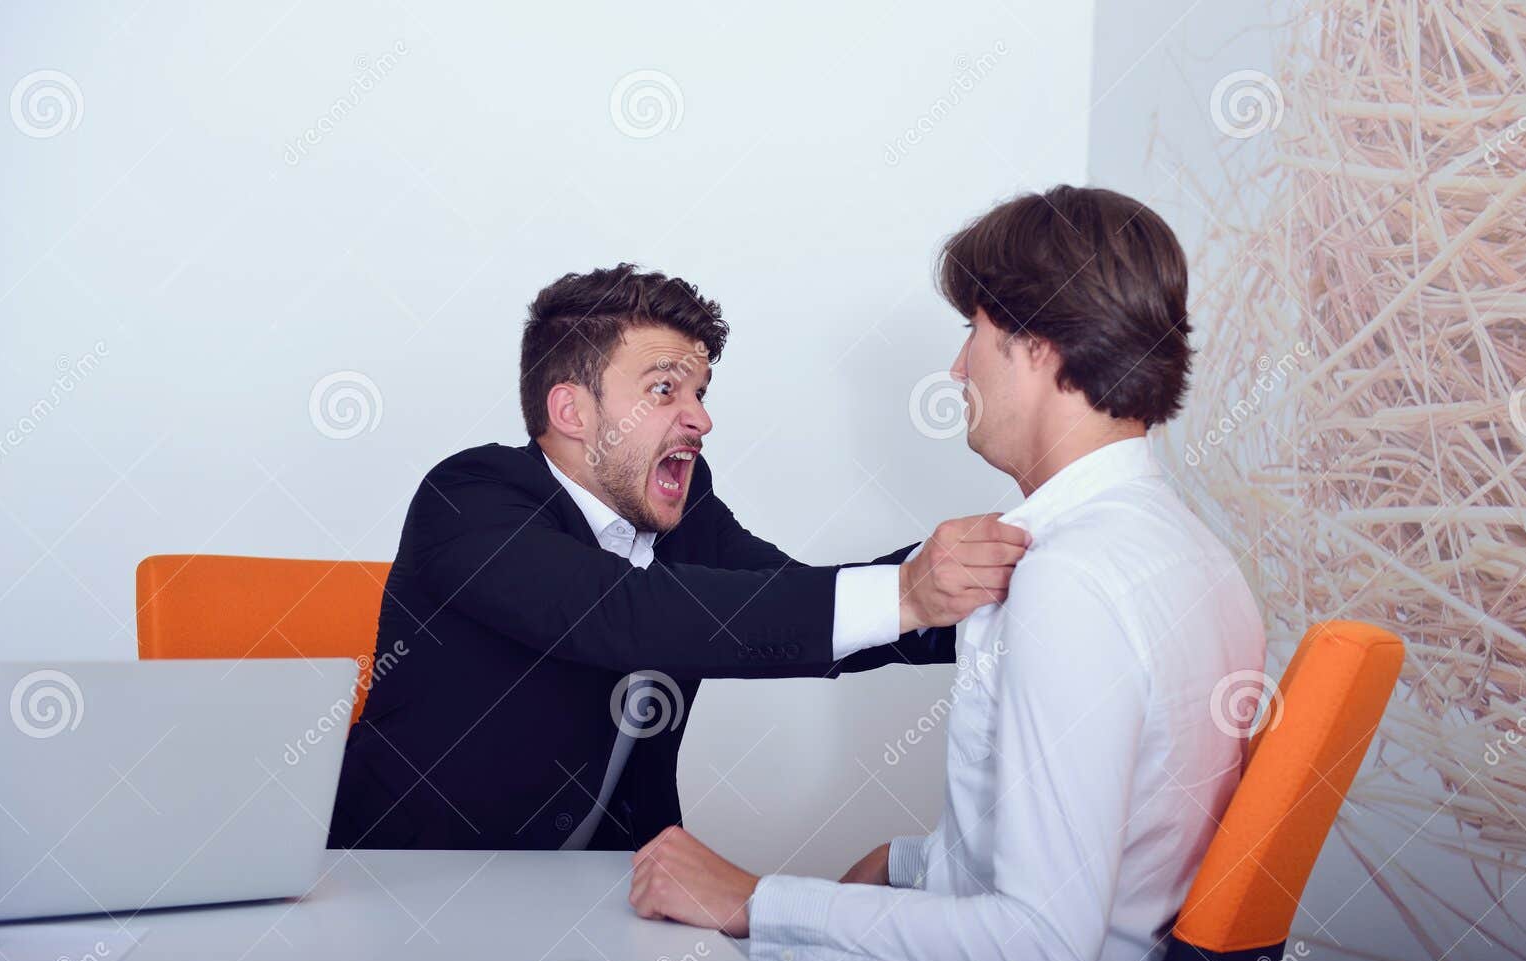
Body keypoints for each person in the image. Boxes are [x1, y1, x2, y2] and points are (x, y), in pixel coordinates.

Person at [626, 185, 1267, 961]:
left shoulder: (1070, 581)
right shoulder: (1192, 555)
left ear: (1036, 344)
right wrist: (914, 864)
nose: (959, 369)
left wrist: (752, 899)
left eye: (973, 332)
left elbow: (1042, 952)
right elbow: (1118, 847)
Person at [329, 264, 1028, 852]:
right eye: (665, 389)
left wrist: (1007, 585)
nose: (701, 418)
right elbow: (620, 615)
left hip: (609, 899)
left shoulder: (684, 513)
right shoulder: (470, 498)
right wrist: (908, 591)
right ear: (571, 412)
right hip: (397, 888)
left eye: (699, 392)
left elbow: (797, 605)